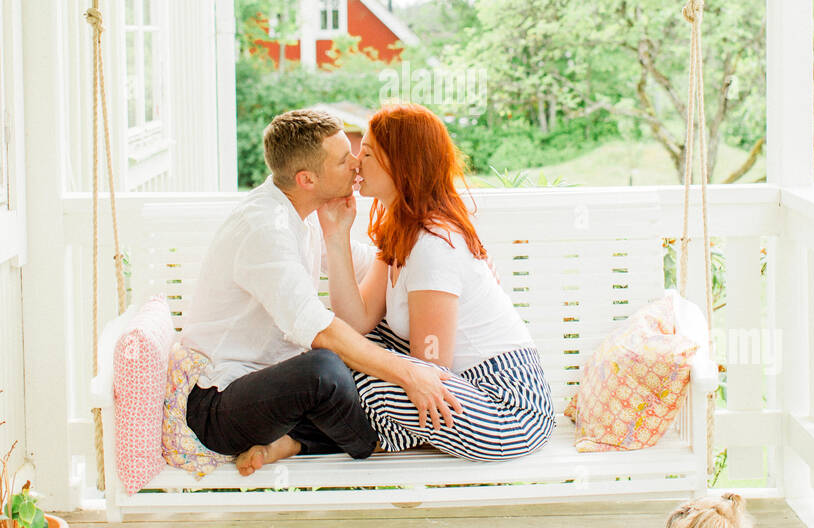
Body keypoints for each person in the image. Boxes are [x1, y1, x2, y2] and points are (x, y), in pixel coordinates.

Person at [182, 109, 463, 476]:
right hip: (220, 403)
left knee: (358, 349)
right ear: (307, 179)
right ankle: (386, 443)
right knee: (323, 367)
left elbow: (376, 265)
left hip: (274, 390)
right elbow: (320, 330)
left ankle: (298, 442)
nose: (356, 163)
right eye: (344, 160)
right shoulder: (265, 229)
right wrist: (410, 374)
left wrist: (451, 261)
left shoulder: (302, 212)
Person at [320, 103, 556, 458]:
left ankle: (326, 438)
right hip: (461, 389)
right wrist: (335, 235)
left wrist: (357, 358)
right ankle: (365, 434)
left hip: (509, 410)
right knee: (348, 346)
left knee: (358, 372)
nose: (356, 162)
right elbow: (356, 321)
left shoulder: (433, 245)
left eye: (366, 153)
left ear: (400, 164)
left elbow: (430, 371)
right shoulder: (401, 231)